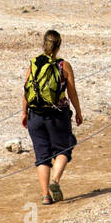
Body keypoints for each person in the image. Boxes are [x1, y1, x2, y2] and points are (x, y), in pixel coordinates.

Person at [21, 29, 82, 205]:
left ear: (43, 44)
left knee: (42, 156)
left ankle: (45, 195)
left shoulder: (34, 64)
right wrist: (78, 111)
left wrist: (24, 112)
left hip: (36, 115)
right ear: (59, 45)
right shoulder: (64, 66)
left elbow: (26, 90)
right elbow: (72, 93)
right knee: (64, 147)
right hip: (58, 115)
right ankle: (55, 180)